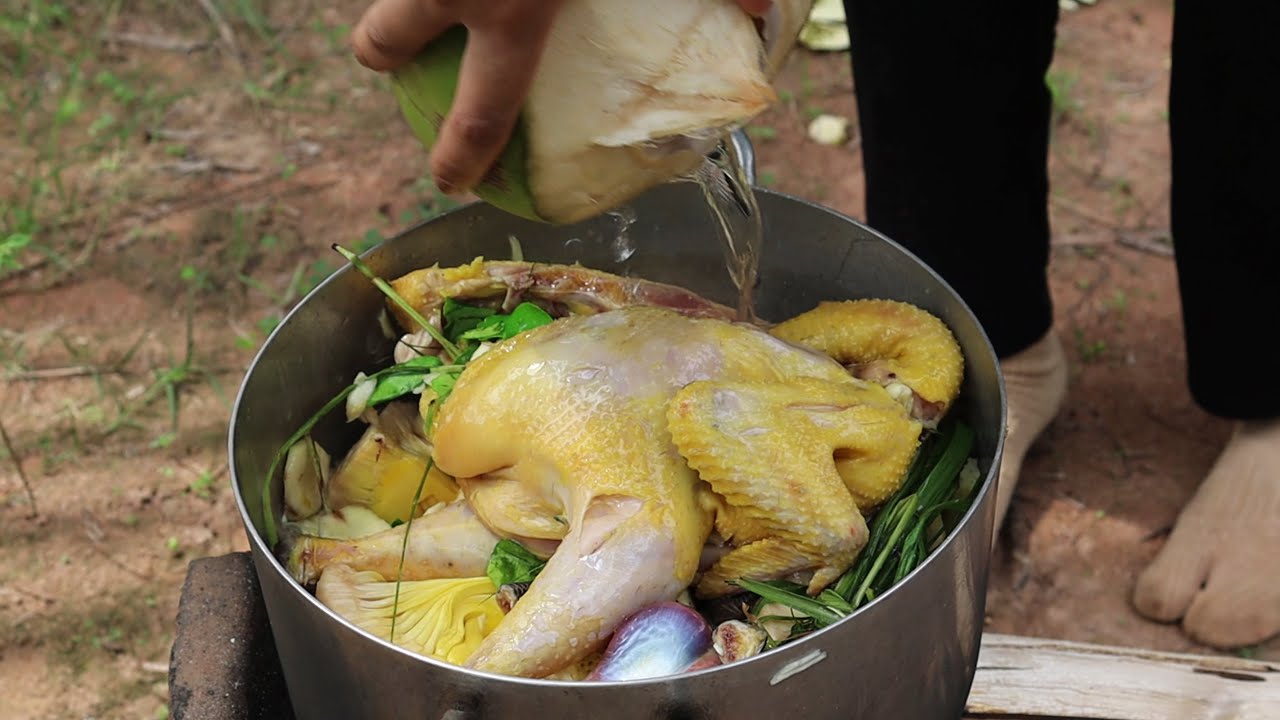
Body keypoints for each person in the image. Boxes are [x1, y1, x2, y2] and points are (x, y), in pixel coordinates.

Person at [346, 0, 1280, 650]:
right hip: (670, 407)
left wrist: (743, 561)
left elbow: (723, 427)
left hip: (708, 424)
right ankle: (1009, 343)